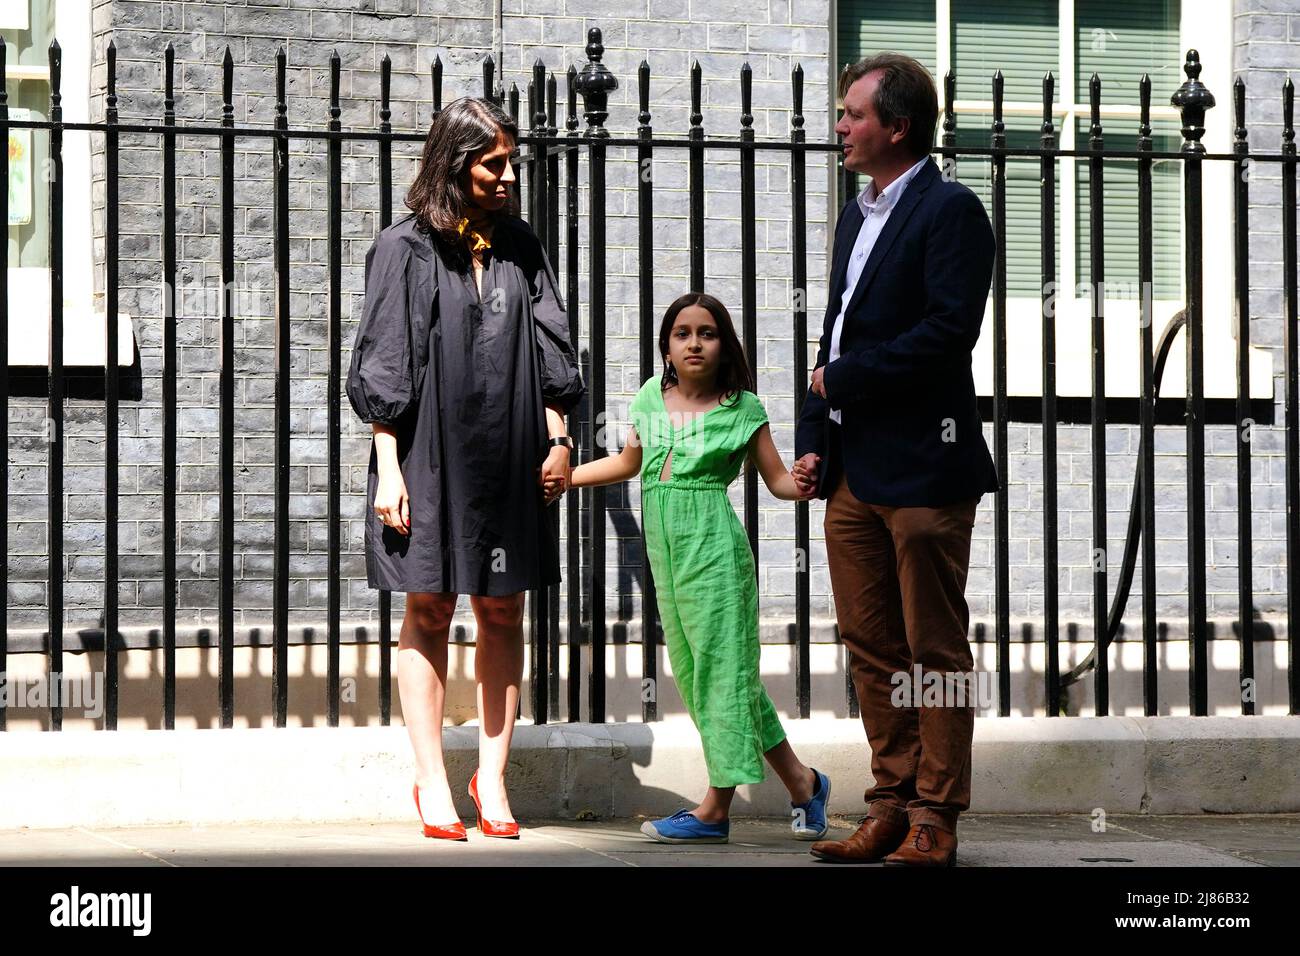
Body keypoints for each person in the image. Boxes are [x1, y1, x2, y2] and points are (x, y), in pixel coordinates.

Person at [345, 97, 584, 841]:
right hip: (424, 453)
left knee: (504, 607)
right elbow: (384, 360)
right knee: (430, 608)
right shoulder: (404, 247)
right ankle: (431, 781)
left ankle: (493, 775)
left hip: (510, 450)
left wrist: (559, 439)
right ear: (454, 164)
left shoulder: (519, 244)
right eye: (493, 164)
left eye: (511, 161)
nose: (508, 175)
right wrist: (389, 468)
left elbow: (551, 350)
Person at [792, 53, 997, 866]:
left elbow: (949, 334)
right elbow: (833, 334)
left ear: (897, 126)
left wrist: (844, 379)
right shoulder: (856, 215)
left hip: (923, 471)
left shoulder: (952, 212)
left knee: (933, 653)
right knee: (871, 647)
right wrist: (814, 437)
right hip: (852, 472)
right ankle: (889, 804)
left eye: (853, 114)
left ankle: (935, 817)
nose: (840, 127)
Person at [565, 292, 830, 845]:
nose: (693, 342)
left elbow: (779, 482)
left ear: (723, 344)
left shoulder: (743, 408)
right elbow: (628, 463)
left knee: (719, 675)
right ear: (666, 345)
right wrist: (566, 479)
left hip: (714, 553)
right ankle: (804, 785)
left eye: (706, 332)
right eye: (681, 332)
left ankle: (715, 809)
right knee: (709, 675)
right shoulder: (649, 397)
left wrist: (804, 480)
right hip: (667, 556)